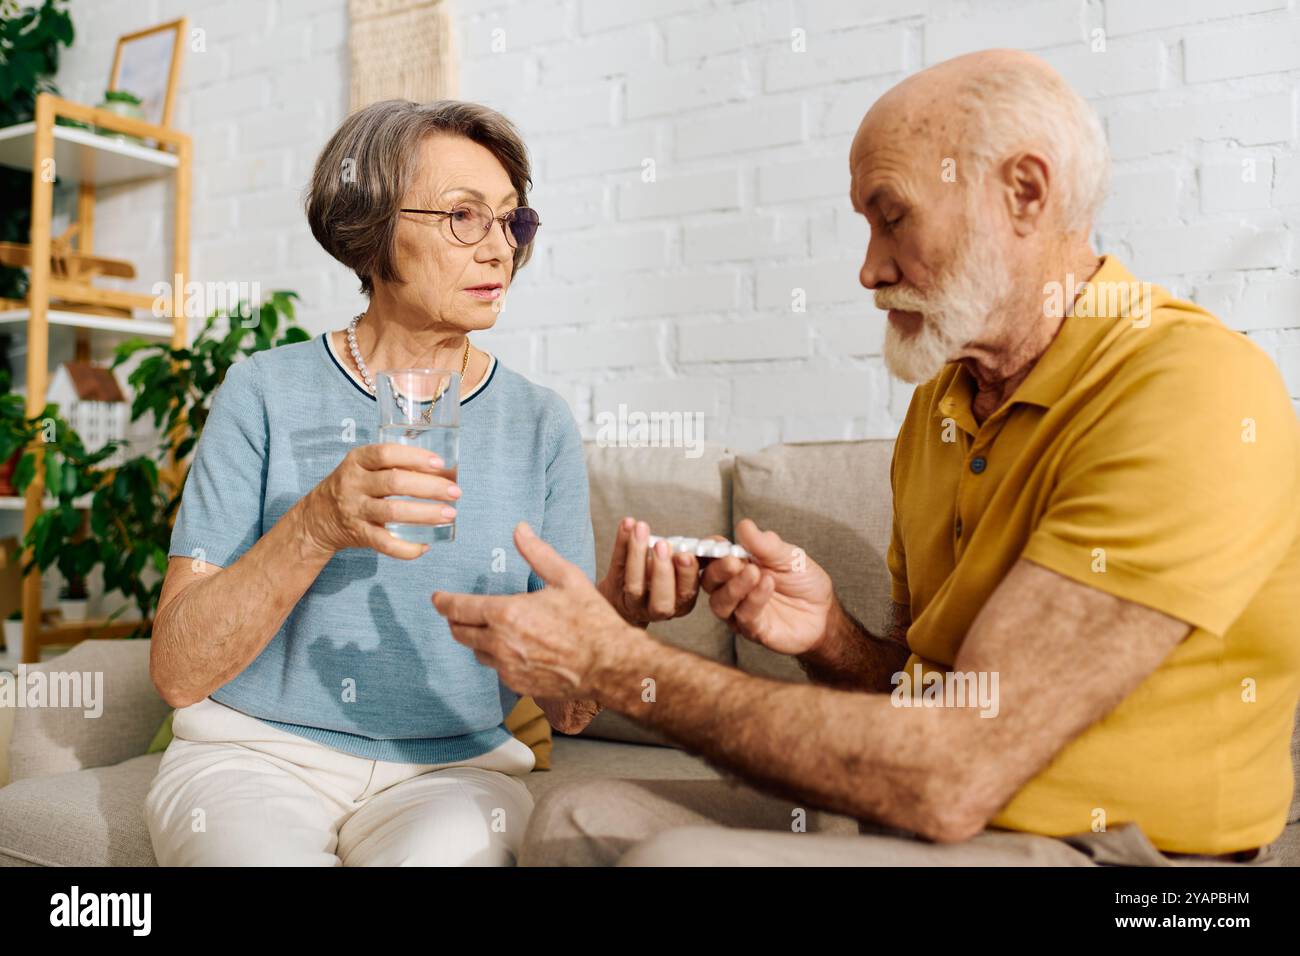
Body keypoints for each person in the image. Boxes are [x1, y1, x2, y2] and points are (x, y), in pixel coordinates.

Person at [431, 50, 1300, 866]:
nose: (869, 269)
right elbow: (928, 699)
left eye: (893, 217)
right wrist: (830, 640)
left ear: (1025, 193)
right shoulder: (940, 408)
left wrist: (618, 663)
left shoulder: (1186, 389)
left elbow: (954, 765)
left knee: (679, 860)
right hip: (947, 807)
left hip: (1126, 854)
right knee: (578, 818)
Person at [144, 99, 698, 866]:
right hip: (252, 756)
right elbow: (176, 670)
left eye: (512, 221)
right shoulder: (264, 390)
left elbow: (568, 713)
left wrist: (619, 628)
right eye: (464, 217)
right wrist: (317, 524)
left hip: (452, 772)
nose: (500, 248)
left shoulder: (539, 424)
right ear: (370, 228)